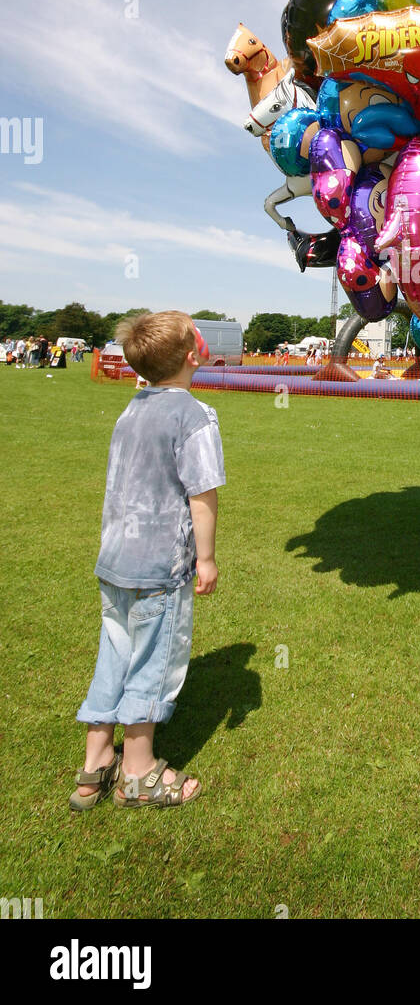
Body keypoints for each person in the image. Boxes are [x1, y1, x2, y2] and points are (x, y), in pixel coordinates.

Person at [71, 311, 225, 812]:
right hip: (160, 564)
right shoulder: (194, 415)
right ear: (191, 356)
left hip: (115, 558)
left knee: (114, 651)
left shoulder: (131, 408)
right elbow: (201, 493)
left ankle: (95, 764)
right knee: (155, 662)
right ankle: (137, 772)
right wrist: (205, 558)